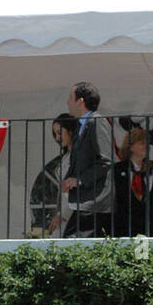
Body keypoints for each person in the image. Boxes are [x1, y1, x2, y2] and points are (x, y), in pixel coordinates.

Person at [61, 81, 114, 236]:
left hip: (95, 201)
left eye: (70, 97)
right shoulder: (82, 125)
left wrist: (79, 180)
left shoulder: (97, 122)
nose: (67, 102)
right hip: (86, 201)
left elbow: (106, 160)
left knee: (72, 240)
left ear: (80, 101)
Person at [29, 113, 78, 235]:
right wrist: (58, 213)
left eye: (60, 133)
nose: (57, 138)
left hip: (74, 215)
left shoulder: (79, 157)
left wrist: (63, 215)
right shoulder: (66, 158)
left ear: (71, 131)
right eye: (55, 134)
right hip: (64, 214)